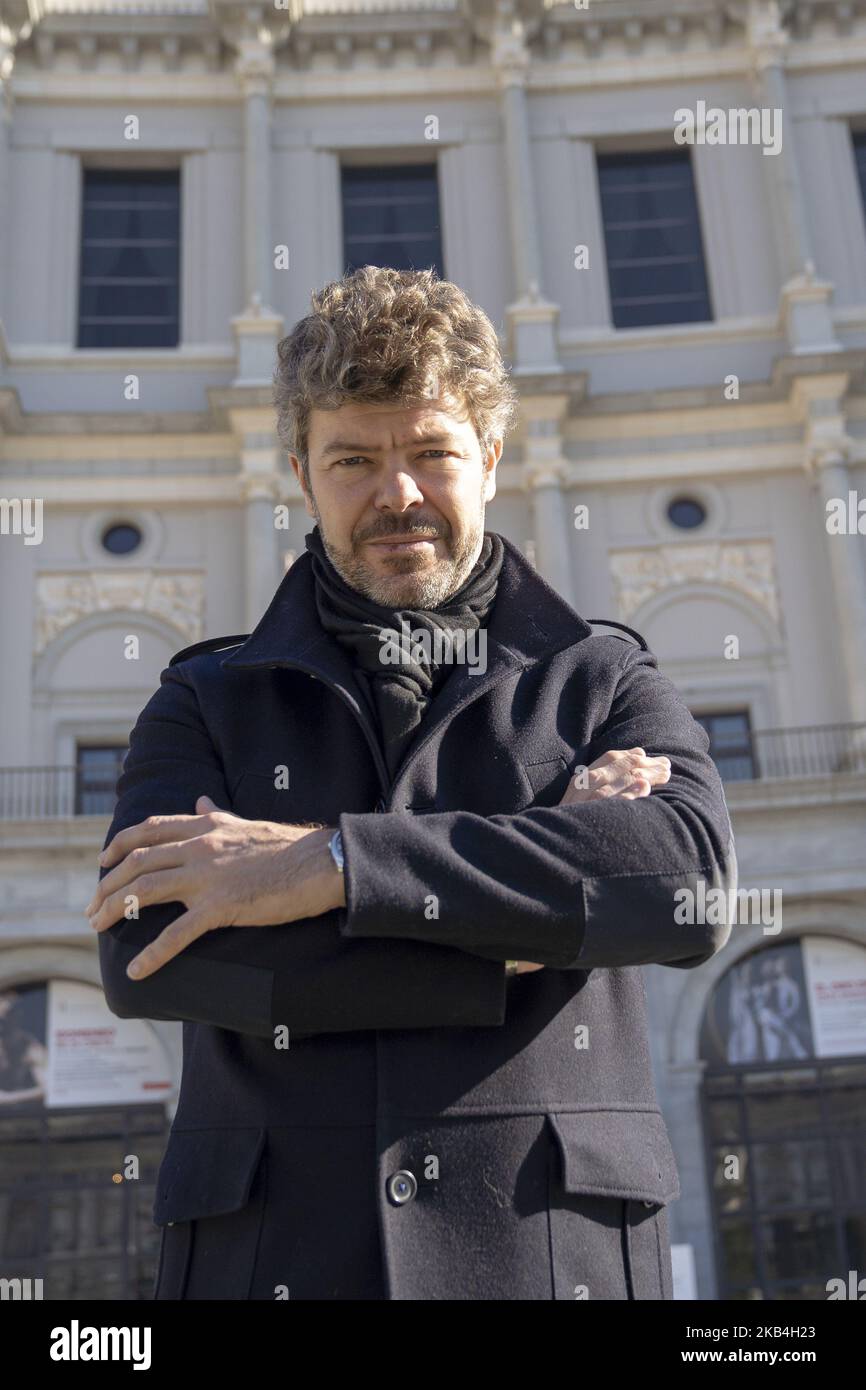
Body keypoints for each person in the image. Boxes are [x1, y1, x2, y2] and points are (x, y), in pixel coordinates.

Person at [88, 265, 737, 1300]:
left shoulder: (602, 674)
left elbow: (684, 883)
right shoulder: (203, 695)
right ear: (301, 473)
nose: (396, 493)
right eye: (353, 458)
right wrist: (516, 935)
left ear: (487, 455)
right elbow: (146, 953)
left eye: (429, 452)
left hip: (546, 1258)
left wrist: (331, 867)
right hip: (271, 1261)